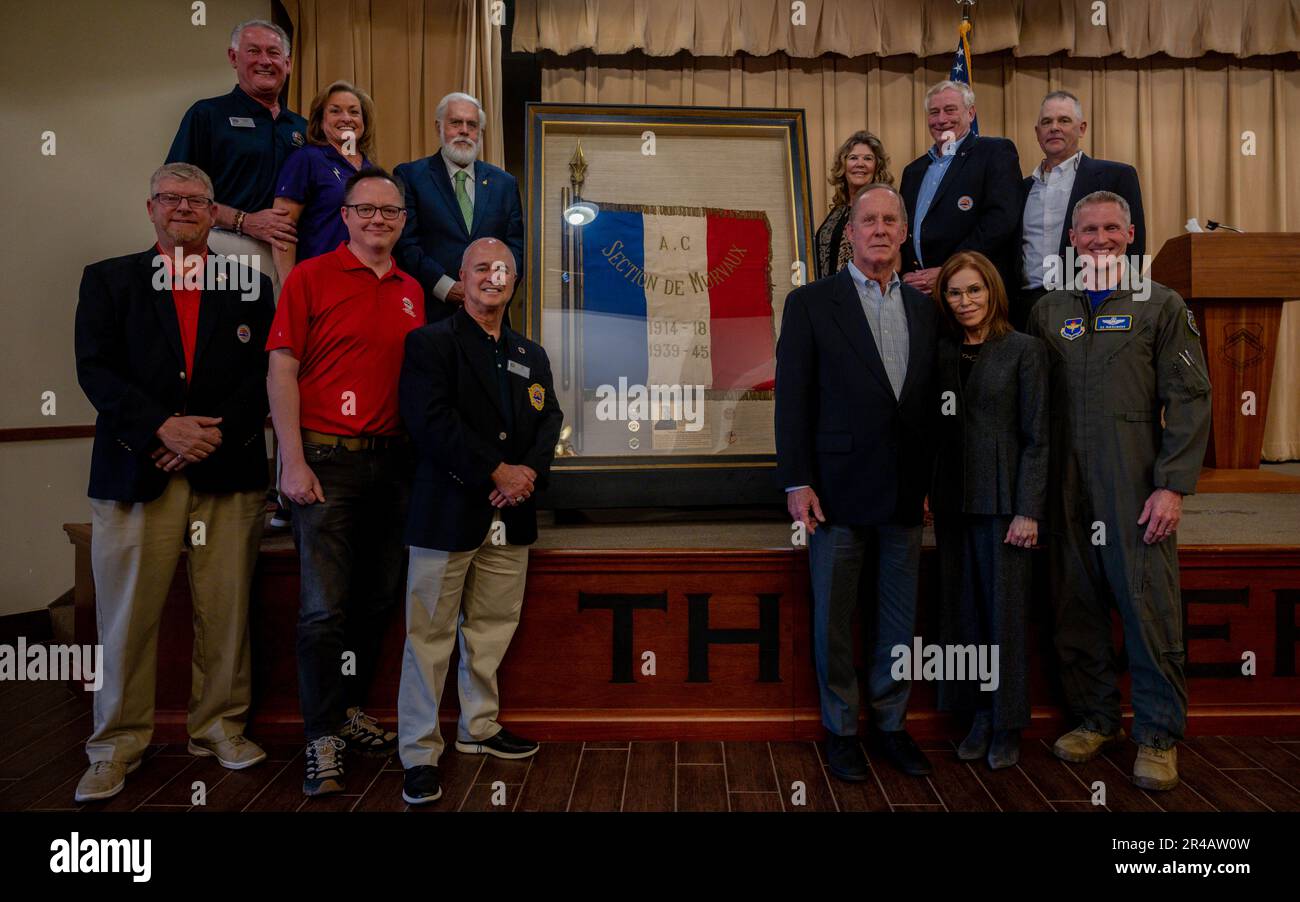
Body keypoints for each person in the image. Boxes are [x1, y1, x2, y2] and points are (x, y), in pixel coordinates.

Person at [72, 163, 274, 802]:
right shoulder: (109, 281)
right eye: (172, 198)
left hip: (227, 471)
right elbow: (96, 372)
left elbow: (268, 371)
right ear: (150, 207)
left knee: (227, 612)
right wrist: (162, 429)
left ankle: (217, 727)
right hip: (139, 470)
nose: (184, 207)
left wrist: (206, 436)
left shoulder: (251, 283)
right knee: (125, 618)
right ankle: (114, 745)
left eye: (197, 200)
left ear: (214, 213)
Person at [1027, 191, 1212, 791]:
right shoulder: (1050, 310)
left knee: (1147, 606)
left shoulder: (1162, 305)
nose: (1099, 238)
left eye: (1111, 228)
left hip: (1132, 480)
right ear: (1072, 239)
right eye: (1088, 230)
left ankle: (1157, 736)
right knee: (1073, 603)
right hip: (1063, 484)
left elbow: (1189, 399)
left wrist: (1172, 487)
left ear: (1130, 234)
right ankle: (1095, 718)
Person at [266, 167, 425, 796]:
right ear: (346, 216)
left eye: (390, 212)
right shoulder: (309, 277)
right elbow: (282, 372)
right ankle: (322, 736)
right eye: (366, 209)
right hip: (326, 463)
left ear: (403, 221)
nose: (378, 220)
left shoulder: (413, 289)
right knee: (321, 610)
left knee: (377, 599)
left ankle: (351, 706)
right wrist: (291, 459)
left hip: (394, 467)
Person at [776, 183, 939, 783]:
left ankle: (891, 726)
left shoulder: (926, 308)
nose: (878, 229)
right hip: (835, 491)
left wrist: (928, 482)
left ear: (903, 233)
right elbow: (792, 401)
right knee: (834, 620)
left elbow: (924, 407)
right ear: (850, 233)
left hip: (904, 492)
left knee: (898, 620)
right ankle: (841, 730)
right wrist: (797, 481)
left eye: (889, 220)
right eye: (867, 220)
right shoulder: (811, 303)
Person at [396, 237, 562, 805]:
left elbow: (549, 420)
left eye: (504, 270)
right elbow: (430, 422)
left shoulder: (529, 354)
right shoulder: (429, 344)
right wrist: (496, 471)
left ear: (513, 281)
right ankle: (419, 750)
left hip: (510, 516)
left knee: (491, 627)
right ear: (462, 279)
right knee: (429, 636)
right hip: (446, 510)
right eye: (482, 268)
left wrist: (526, 477)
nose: (494, 277)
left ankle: (479, 727)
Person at [930, 251, 1048, 770]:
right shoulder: (941, 352)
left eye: (974, 290)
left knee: (1005, 618)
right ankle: (977, 713)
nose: (964, 301)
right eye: (955, 292)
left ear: (993, 291)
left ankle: (1006, 723)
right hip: (954, 502)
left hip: (1004, 505)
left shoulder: (1025, 350)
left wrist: (1028, 510)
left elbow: (1038, 438)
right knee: (964, 616)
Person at [166, 18, 307, 297]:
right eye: (253, 51)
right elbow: (174, 195)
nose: (265, 61)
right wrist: (245, 221)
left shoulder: (303, 129)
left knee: (281, 341)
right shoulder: (207, 115)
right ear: (234, 58)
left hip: (293, 259)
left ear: (288, 63)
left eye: (274, 53)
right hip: (226, 248)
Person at [1015, 90, 1146, 330]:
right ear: (1037, 133)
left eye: (1064, 120)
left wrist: (1122, 303)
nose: (1054, 128)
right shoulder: (1020, 189)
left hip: (1091, 302)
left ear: (1082, 128)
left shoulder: (1116, 176)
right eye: (1047, 122)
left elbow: (1134, 248)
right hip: (1026, 308)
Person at [394, 91, 525, 323]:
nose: (464, 130)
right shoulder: (411, 176)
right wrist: (445, 287)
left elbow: (515, 249)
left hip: (490, 316)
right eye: (456, 123)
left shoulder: (504, 183)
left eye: (472, 125)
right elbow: (406, 245)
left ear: (480, 133)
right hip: (431, 312)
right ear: (439, 128)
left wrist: (490, 291)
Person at [899, 81, 1022, 297]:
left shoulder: (994, 152)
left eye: (950, 110)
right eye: (934, 112)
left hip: (975, 291)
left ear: (971, 113)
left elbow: (1000, 222)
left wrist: (949, 270)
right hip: (921, 293)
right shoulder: (913, 171)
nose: (941, 119)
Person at [271, 80, 377, 277]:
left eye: (354, 112)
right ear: (320, 120)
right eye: (335, 111)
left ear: (364, 121)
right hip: (318, 279)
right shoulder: (306, 159)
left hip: (364, 280)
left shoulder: (372, 171)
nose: (346, 118)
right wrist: (290, 288)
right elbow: (282, 229)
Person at [814, 131, 894, 280]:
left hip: (864, 297)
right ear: (843, 166)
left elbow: (895, 262)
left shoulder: (884, 208)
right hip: (829, 297)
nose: (860, 164)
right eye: (853, 158)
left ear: (877, 166)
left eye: (868, 158)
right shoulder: (839, 209)